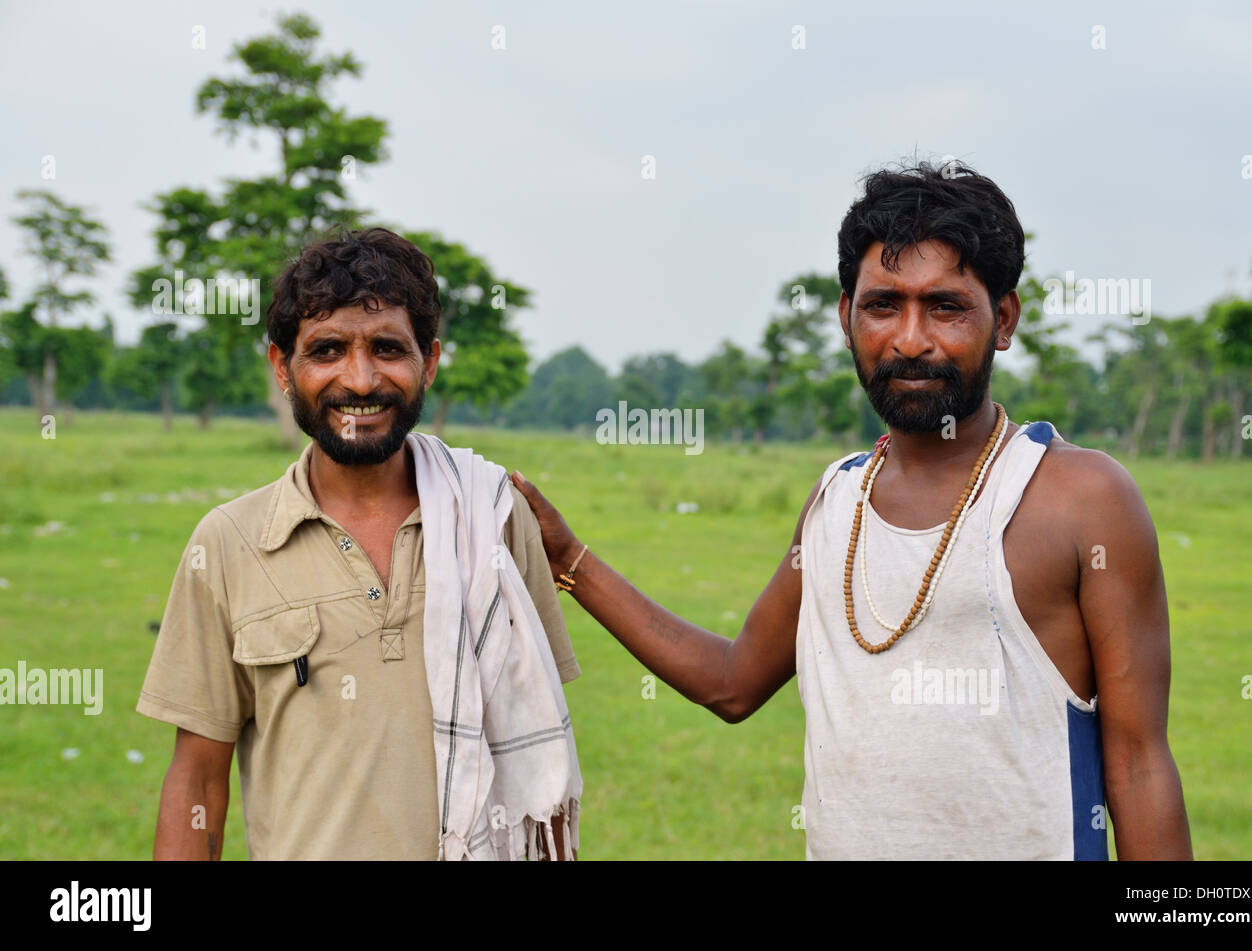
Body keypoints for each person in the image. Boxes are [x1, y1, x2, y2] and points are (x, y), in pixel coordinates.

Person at [512, 162, 1193, 860]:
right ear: (846, 318)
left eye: (946, 306)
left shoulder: (1078, 497)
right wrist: (568, 560)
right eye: (883, 305)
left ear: (1005, 319)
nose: (909, 339)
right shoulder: (839, 498)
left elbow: (1139, 764)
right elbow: (733, 682)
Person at [137, 227, 581, 861]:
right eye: (327, 350)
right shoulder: (229, 543)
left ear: (427, 361)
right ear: (281, 365)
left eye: (386, 348)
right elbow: (198, 778)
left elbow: (540, 743)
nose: (362, 379)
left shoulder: (493, 518)